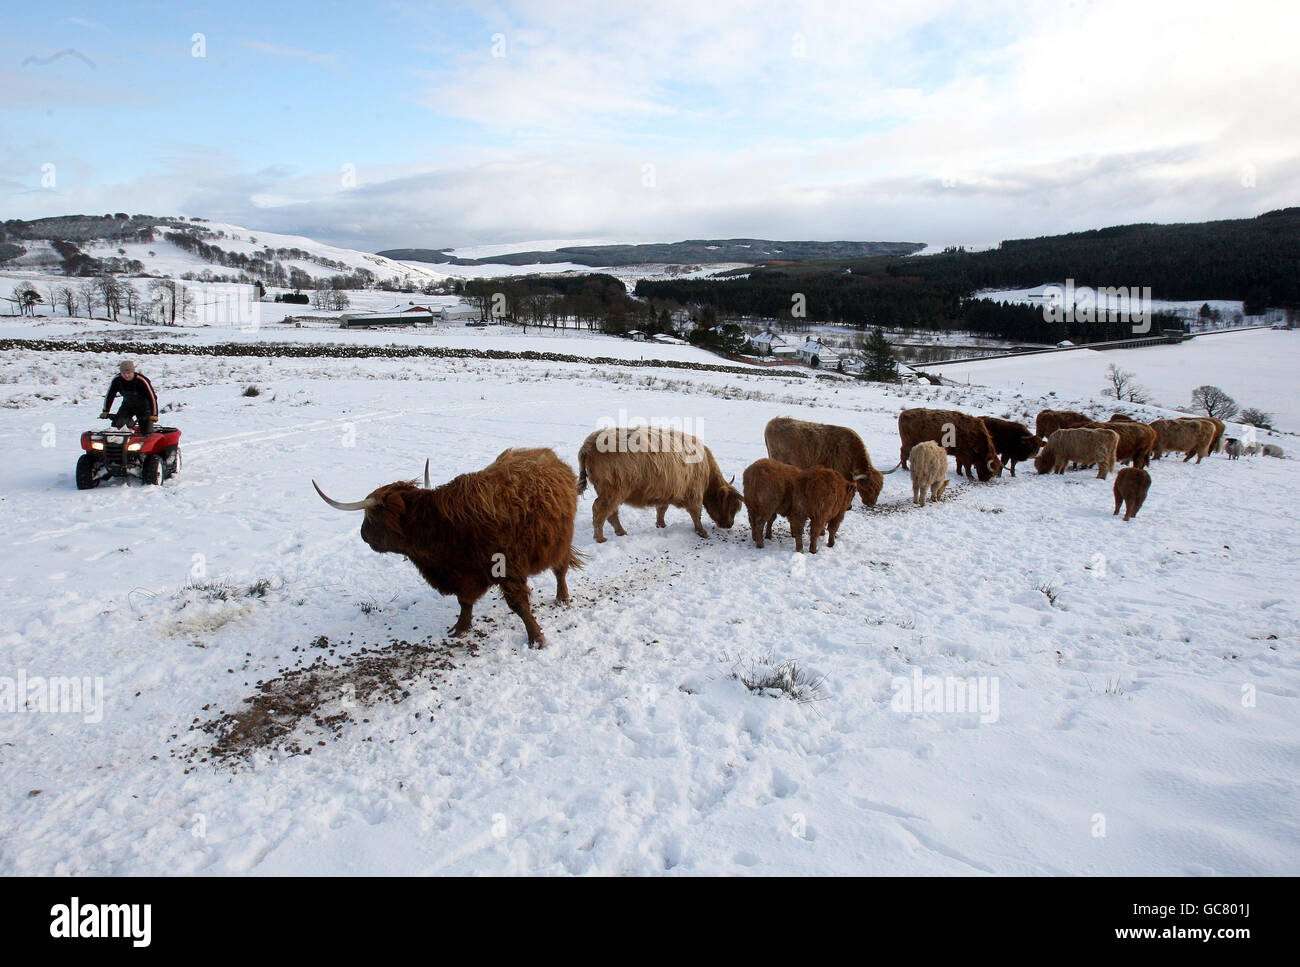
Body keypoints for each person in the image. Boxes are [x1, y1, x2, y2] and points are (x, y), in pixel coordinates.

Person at [100, 360, 158, 435]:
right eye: (124, 373)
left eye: (129, 373)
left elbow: (152, 397)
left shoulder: (141, 380)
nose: (126, 376)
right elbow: (110, 395)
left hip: (144, 407)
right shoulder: (117, 380)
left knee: (146, 431)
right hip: (127, 406)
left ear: (133, 372)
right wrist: (106, 410)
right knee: (118, 424)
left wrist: (154, 414)